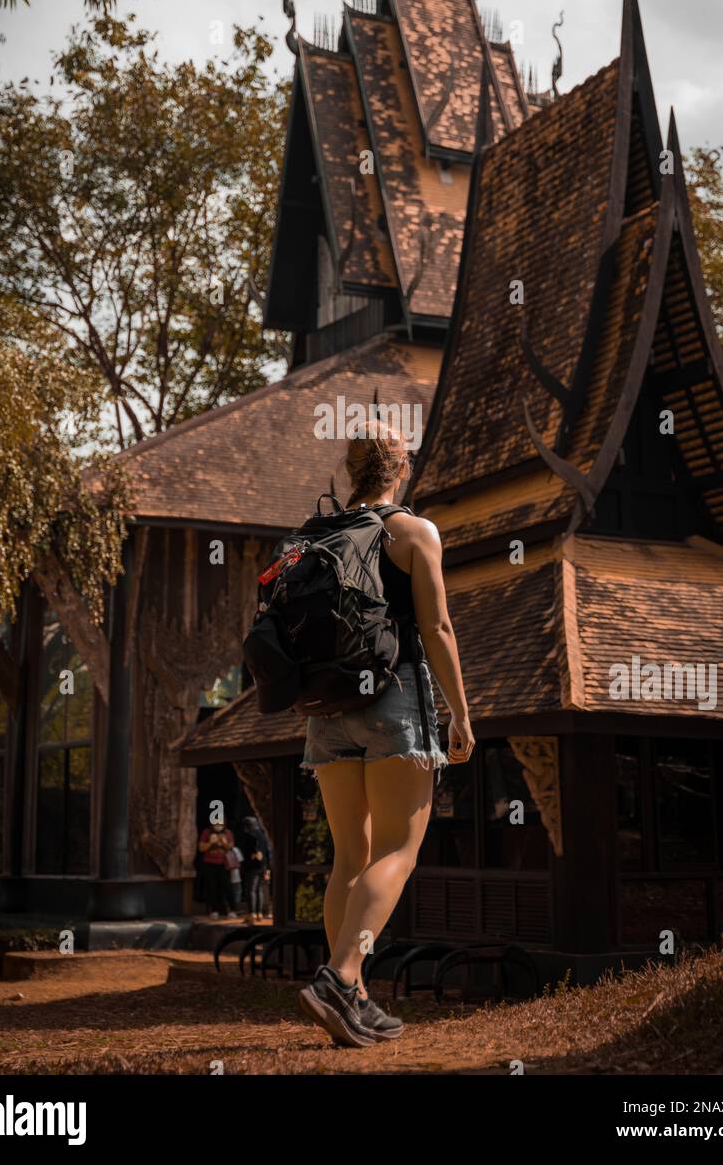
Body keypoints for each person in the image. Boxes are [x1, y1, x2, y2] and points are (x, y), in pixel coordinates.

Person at [297, 421, 474, 1048]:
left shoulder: (316, 533)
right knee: (398, 848)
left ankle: (355, 998)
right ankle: (341, 978)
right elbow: (438, 628)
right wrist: (460, 712)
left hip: (326, 706)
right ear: (401, 468)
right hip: (393, 700)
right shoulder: (414, 532)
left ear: (351, 471)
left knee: (351, 856)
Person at [197, 817, 237, 917]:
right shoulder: (207, 832)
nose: (218, 825)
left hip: (224, 864)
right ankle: (214, 910)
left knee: (227, 887)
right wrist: (211, 843)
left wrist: (223, 842)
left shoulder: (228, 833)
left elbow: (231, 847)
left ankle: (232, 910)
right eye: (216, 823)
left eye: (220, 823)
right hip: (209, 863)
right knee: (211, 887)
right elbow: (201, 848)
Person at [242, 815, 271, 922]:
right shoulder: (262, 835)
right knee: (259, 890)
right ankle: (259, 913)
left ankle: (252, 913)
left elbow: (255, 851)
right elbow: (267, 852)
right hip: (263, 866)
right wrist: (267, 867)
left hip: (252, 866)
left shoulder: (250, 835)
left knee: (251, 890)